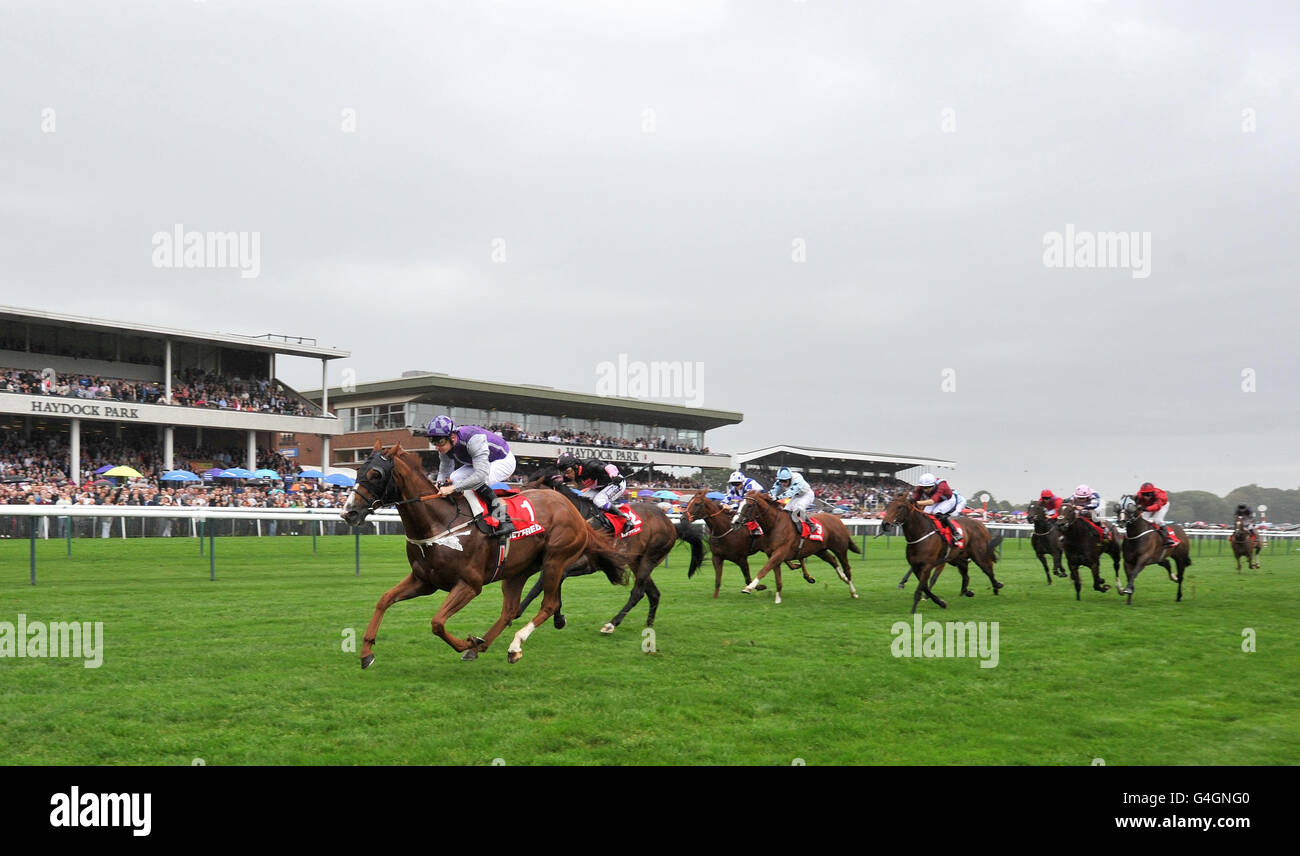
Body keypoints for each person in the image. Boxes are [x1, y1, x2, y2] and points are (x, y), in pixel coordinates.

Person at [425, 415, 515, 537]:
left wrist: (453, 488)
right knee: (455, 477)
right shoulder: (445, 446)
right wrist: (439, 484)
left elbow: (480, 476)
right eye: (432, 441)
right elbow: (445, 469)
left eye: (440, 441)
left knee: (480, 482)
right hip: (480, 462)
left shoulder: (473, 439)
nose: (436, 446)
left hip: (502, 460)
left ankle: (505, 521)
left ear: (452, 437)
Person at [557, 454, 634, 529]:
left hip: (616, 483)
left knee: (599, 500)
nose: (566, 475)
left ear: (576, 466)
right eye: (563, 472)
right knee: (581, 499)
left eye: (568, 471)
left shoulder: (589, 465)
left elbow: (609, 467)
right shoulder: (570, 474)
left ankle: (625, 518)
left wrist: (614, 476)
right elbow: (560, 481)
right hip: (599, 488)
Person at [911, 472, 966, 546]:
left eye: (929, 487)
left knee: (937, 512)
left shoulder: (942, 485)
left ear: (934, 485)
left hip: (949, 500)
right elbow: (914, 500)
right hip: (938, 500)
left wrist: (916, 502)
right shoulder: (920, 487)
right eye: (924, 488)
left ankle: (955, 533)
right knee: (925, 513)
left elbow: (932, 501)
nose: (926, 490)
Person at [1134, 481, 1177, 548]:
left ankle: (1167, 538)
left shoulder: (1159, 495)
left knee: (1157, 520)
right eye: (1144, 494)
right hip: (1148, 505)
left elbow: (1157, 507)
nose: (1145, 497)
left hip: (1162, 505)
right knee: (1142, 519)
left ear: (1152, 493)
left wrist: (1145, 508)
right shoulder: (1139, 495)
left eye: (1148, 494)